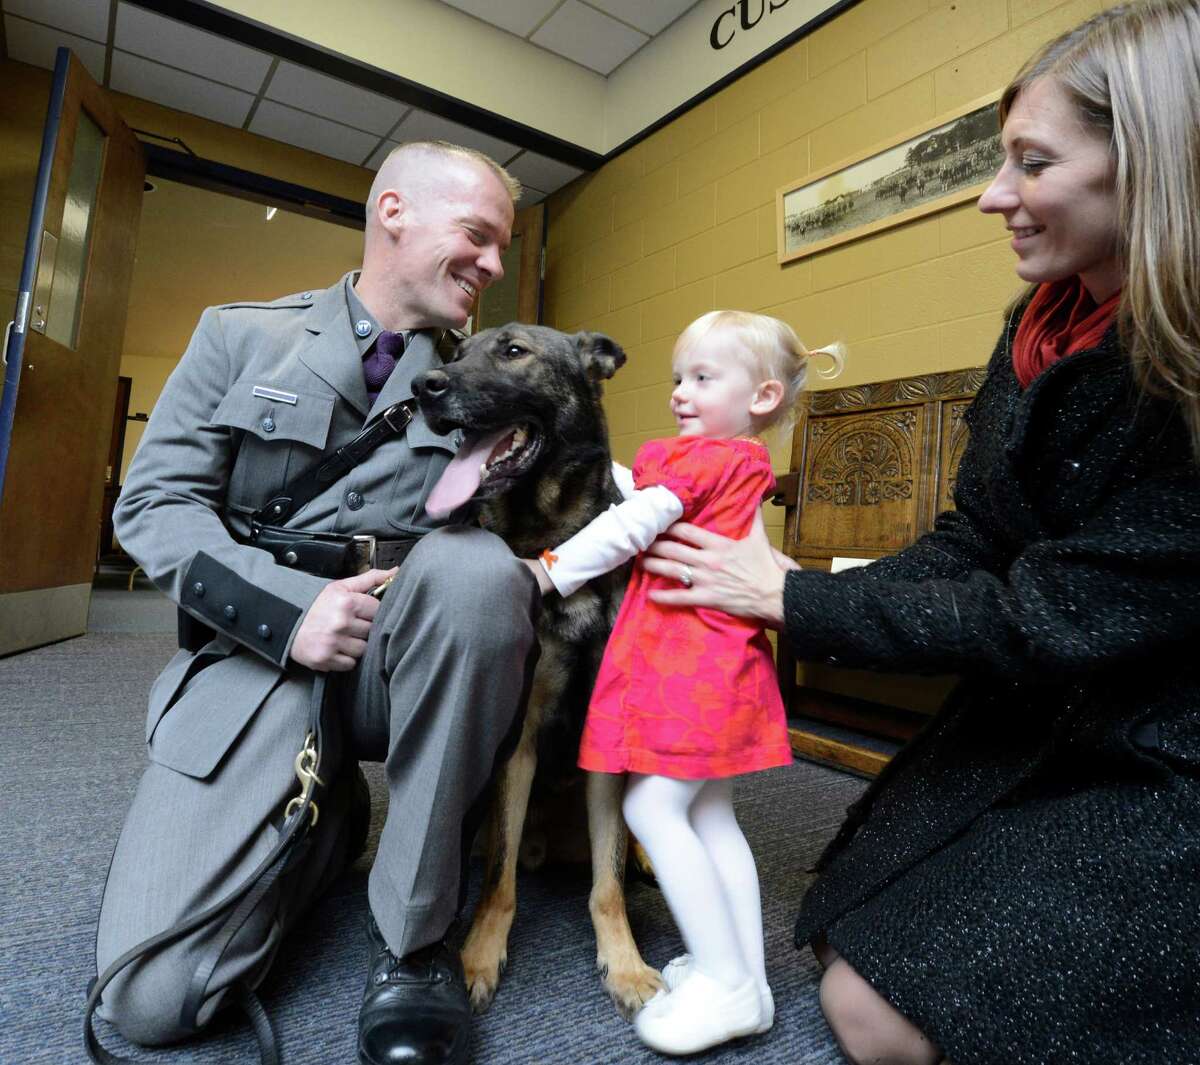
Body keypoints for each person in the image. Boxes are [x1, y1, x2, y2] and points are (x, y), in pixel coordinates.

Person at [640, 2, 1200, 1063]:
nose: (995, 197)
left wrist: (795, 600)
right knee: (848, 917)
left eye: (1031, 165)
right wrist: (790, 600)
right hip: (1054, 700)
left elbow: (1057, 612)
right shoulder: (1039, 324)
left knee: (874, 1013)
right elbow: (974, 537)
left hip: (1165, 736)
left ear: (1156, 167)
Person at [93, 141, 542, 1065]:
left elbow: (530, 516)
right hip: (256, 653)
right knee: (155, 1000)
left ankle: (415, 941)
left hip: (403, 654)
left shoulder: (482, 380)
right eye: (477, 235)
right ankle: (328, 822)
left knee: (478, 574)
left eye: (503, 246)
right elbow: (152, 504)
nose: (495, 265)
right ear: (393, 214)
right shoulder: (241, 335)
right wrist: (289, 614)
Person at [524, 311, 842, 1055]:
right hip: (729, 665)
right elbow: (660, 505)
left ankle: (727, 984)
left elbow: (632, 527)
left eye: (702, 378)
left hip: (687, 667)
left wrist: (546, 570)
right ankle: (748, 977)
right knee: (712, 818)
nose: (679, 392)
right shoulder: (743, 463)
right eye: (677, 378)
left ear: (762, 396)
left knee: (651, 807)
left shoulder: (693, 463)